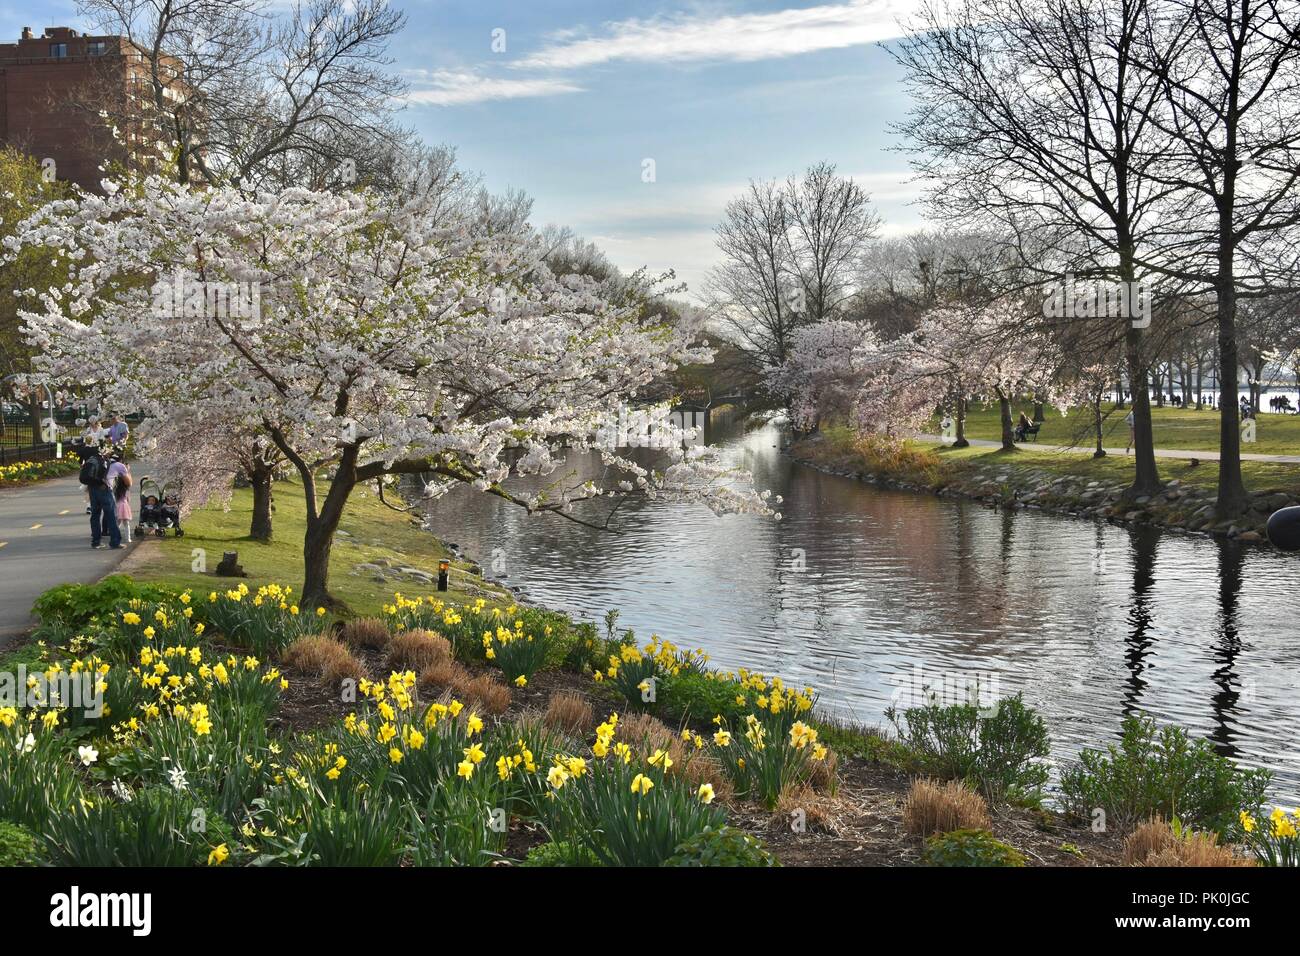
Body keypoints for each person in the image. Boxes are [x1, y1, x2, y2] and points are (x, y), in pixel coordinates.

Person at [81, 444, 121, 549]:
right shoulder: (105, 461)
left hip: (92, 490)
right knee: (111, 515)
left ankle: (96, 541)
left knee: (95, 515)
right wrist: (101, 483)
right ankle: (115, 542)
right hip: (104, 490)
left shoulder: (91, 460)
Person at [109, 457, 132, 544]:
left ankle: (115, 536)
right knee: (126, 524)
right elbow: (128, 498)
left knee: (117, 524)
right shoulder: (126, 489)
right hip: (124, 506)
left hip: (117, 506)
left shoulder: (116, 489)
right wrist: (127, 471)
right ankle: (128, 538)